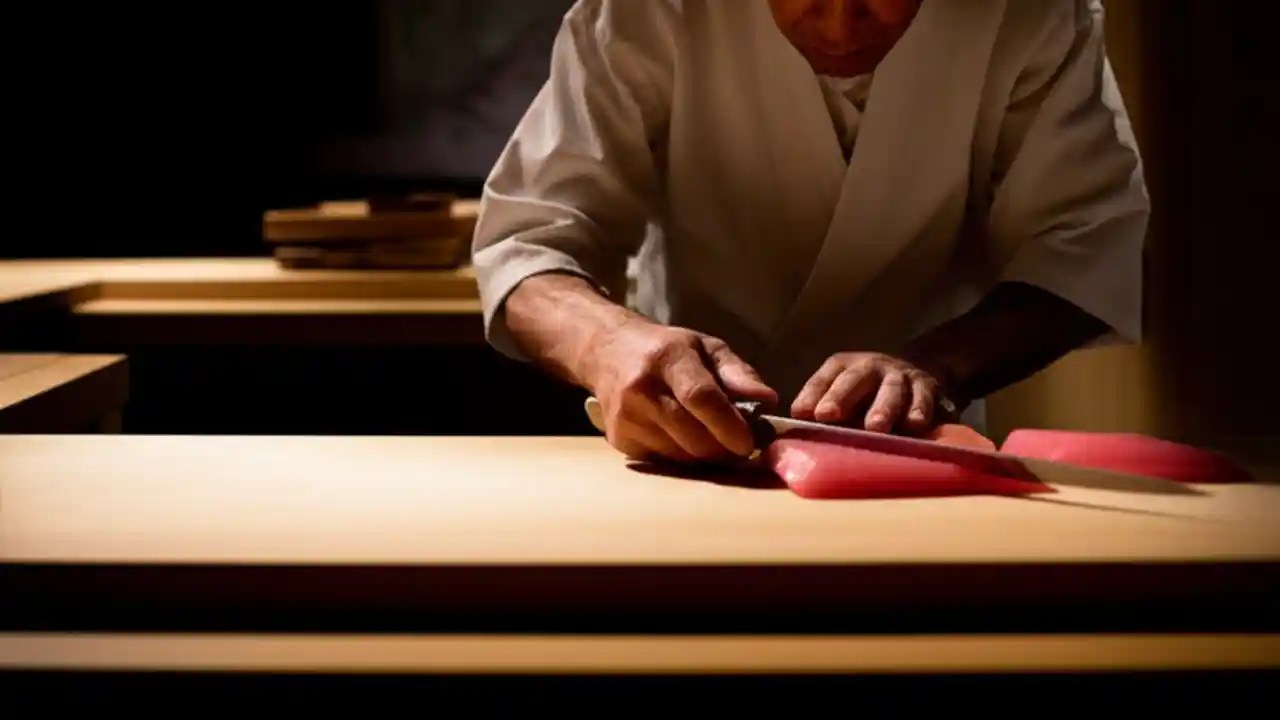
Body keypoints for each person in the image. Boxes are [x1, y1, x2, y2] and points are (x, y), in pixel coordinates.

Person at [471, 0, 1148, 463]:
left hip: (918, 456)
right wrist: (611, 344)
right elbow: (528, 242)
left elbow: (1082, 245)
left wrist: (936, 367)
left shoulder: (1031, 15)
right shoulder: (644, 11)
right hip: (682, 444)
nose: (838, 22)